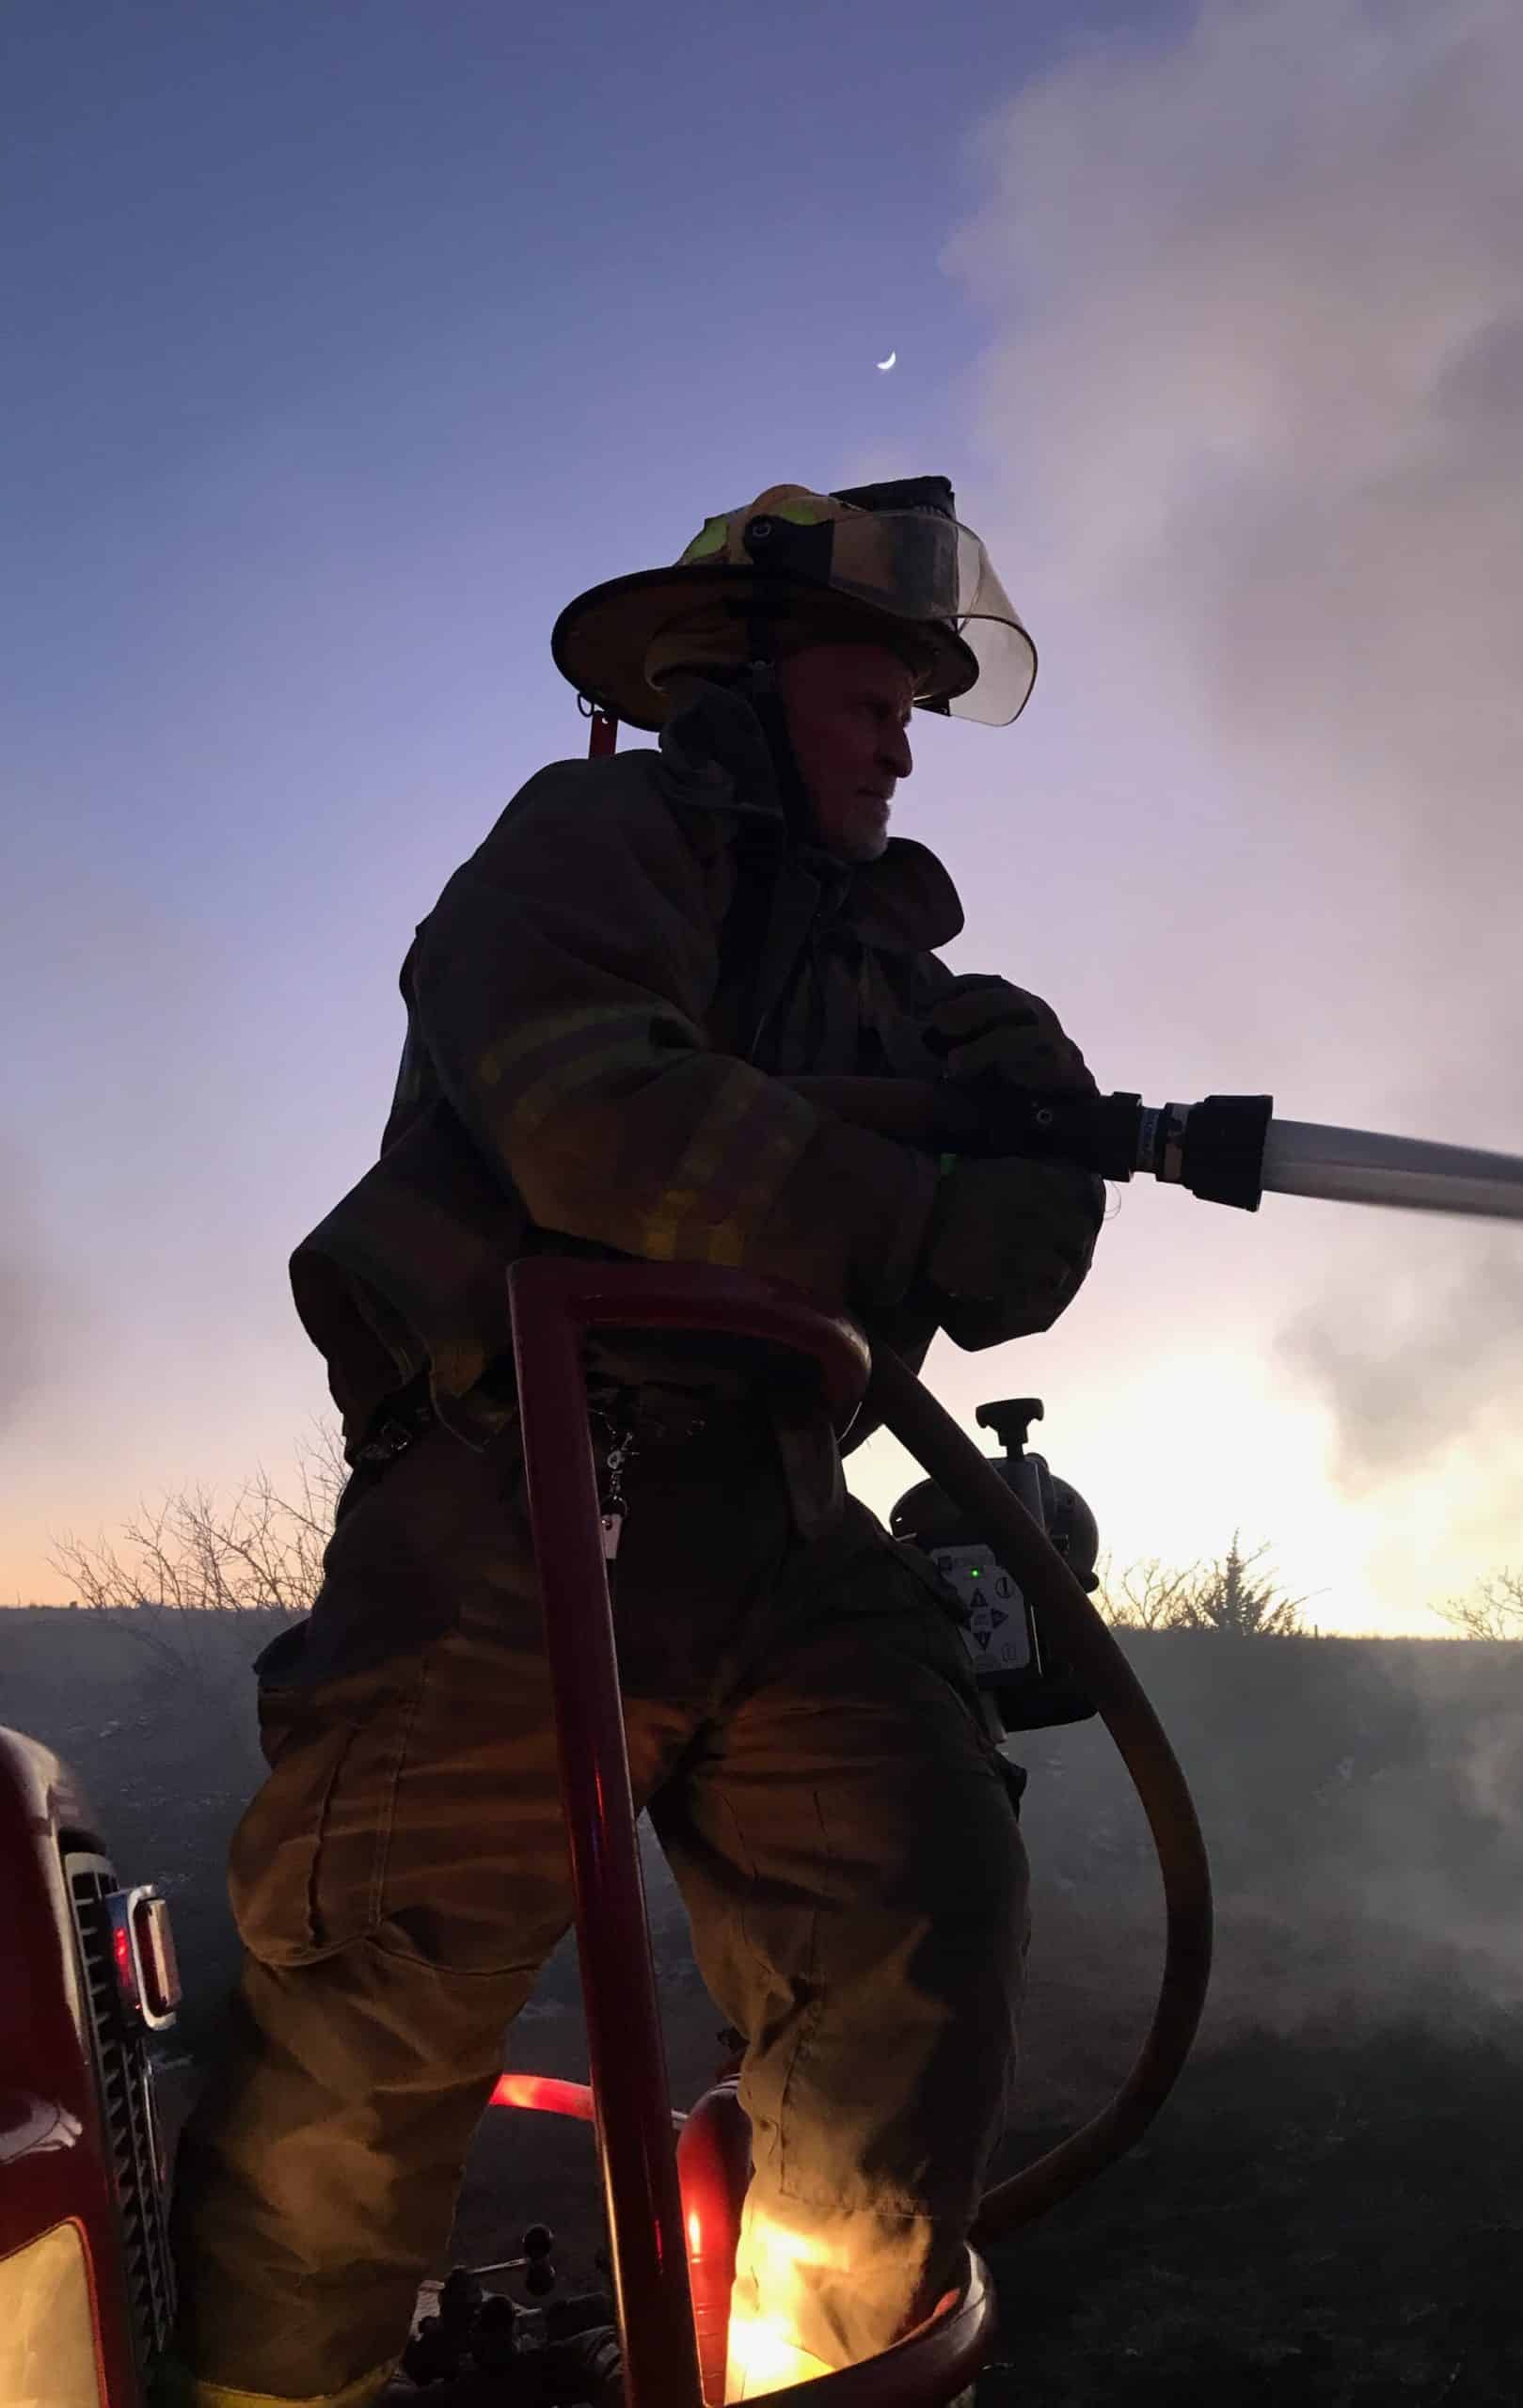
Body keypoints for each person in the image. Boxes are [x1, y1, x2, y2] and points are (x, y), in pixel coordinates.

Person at [161, 478, 1104, 2405]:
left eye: (924, 705)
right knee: (370, 2020)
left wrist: (1040, 1126)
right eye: (874, 690)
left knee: (919, 1906)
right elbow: (596, 1114)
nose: (903, 740)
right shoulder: (592, 841)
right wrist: (912, 1195)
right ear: (742, 672)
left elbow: (1013, 1276)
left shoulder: (906, 983)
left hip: (782, 1512)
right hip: (515, 1494)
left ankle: (813, 2365)